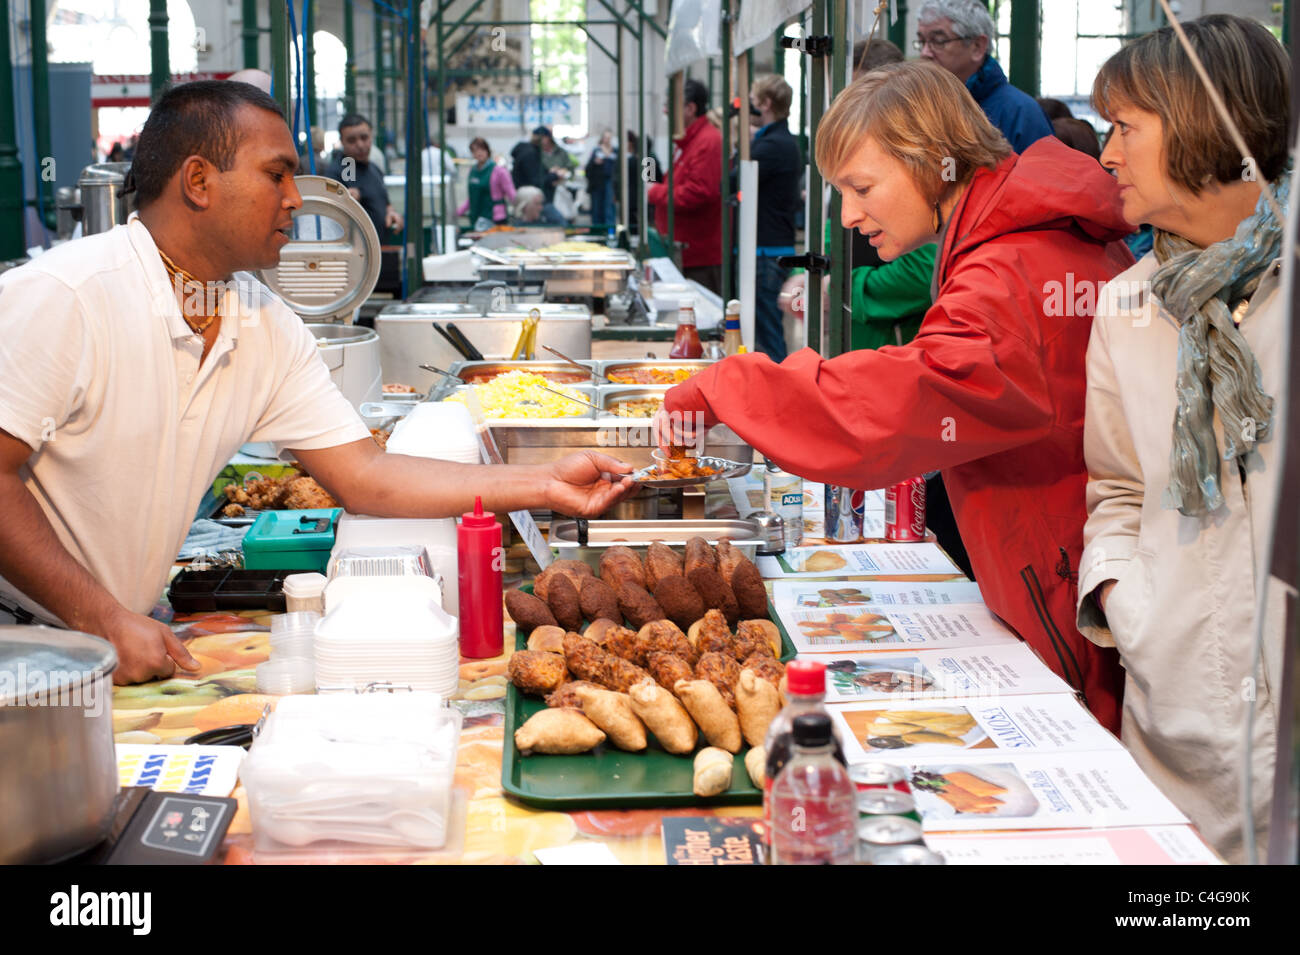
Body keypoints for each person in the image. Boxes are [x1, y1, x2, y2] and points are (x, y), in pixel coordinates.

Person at [0, 81, 635, 684]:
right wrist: (101, 617)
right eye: (275, 174)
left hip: (116, 642)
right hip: (22, 643)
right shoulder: (67, 297)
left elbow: (365, 475)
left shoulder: (260, 320)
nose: (297, 199)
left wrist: (543, 482)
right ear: (198, 181)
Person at [657, 61, 1133, 732]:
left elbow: (906, 400)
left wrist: (732, 384)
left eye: (862, 187)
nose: (850, 216)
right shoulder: (1035, 240)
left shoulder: (1007, 268)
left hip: (1065, 590)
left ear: (932, 161)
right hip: (1070, 569)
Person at [1078, 14, 1290, 863]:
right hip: (1174, 728)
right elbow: (1117, 488)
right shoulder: (1128, 305)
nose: (1106, 155)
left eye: (1126, 128)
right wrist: (1130, 603)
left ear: (1207, 119)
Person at [916, 0, 1052, 153]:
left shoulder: (1021, 114)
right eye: (921, 42)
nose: (925, 52)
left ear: (977, 46)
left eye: (939, 41)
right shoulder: (920, 106)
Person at [742, 74, 802, 361]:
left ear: (765, 104)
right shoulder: (783, 142)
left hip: (765, 247)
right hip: (773, 244)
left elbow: (731, 181)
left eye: (753, 102)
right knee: (767, 327)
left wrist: (742, 142)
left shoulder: (770, 146)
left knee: (766, 331)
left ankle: (779, 388)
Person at [647, 78, 723, 293]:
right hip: (682, 252)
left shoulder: (707, 141)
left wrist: (654, 192)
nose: (665, 111)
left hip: (697, 257)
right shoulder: (687, 143)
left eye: (670, 105)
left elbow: (696, 193)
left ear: (690, 108)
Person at [323, 113, 402, 240]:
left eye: (364, 138)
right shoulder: (336, 172)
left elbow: (386, 202)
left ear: (371, 136)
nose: (359, 145)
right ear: (342, 141)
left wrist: (391, 213)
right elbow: (330, 217)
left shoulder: (374, 169)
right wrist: (346, 201)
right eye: (351, 140)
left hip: (381, 248)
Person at [457, 137, 515, 230]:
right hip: (476, 217)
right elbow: (471, 198)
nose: (479, 153)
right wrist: (457, 213)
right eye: (475, 151)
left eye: (482, 149)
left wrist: (522, 211)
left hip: (495, 219)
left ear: (487, 151)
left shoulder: (499, 171)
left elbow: (511, 193)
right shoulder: (473, 171)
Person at [585, 129, 618, 232]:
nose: (607, 140)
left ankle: (610, 233)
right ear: (602, 139)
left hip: (611, 183)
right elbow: (588, 168)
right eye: (605, 138)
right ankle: (597, 232)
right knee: (597, 208)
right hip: (598, 183)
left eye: (609, 138)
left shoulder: (615, 151)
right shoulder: (596, 151)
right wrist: (595, 163)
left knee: (609, 208)